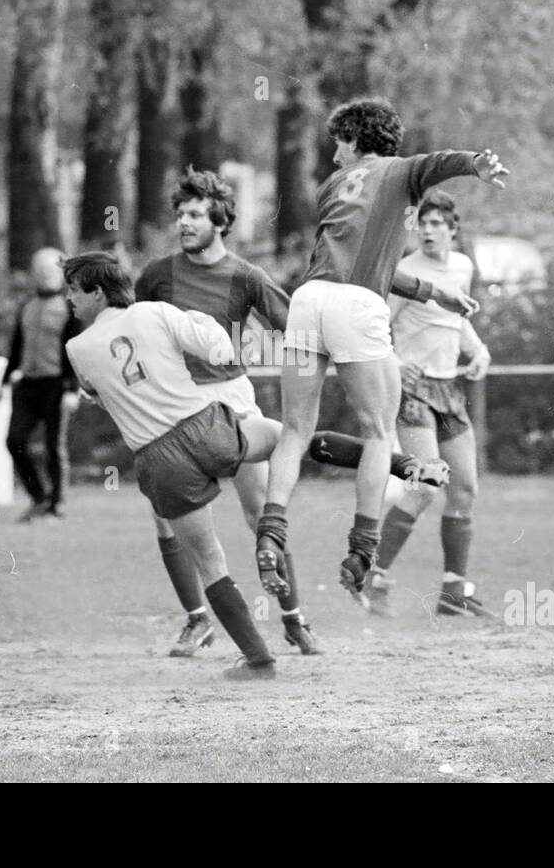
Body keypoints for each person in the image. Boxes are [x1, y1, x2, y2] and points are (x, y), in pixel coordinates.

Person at [252, 97, 508, 604]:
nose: (333, 156)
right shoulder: (400, 170)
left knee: (296, 429)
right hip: (356, 306)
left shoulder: (332, 188)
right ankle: (364, 548)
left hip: (308, 302)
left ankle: (272, 527)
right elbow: (442, 163)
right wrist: (476, 165)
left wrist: (434, 292)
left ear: (356, 138)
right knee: (377, 431)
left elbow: (372, 260)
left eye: (338, 143)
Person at [62, 251, 281, 679]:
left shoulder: (76, 348)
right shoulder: (155, 312)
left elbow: (97, 390)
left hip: (160, 459)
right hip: (204, 426)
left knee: (210, 560)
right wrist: (203, 322)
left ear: (97, 292)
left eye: (74, 289)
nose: (68, 298)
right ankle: (385, 458)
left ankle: (259, 661)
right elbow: (216, 352)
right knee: (288, 437)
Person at [135, 168, 320, 657]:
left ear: (220, 219)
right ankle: (198, 621)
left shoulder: (245, 276)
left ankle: (294, 619)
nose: (184, 222)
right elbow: (130, 332)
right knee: (166, 518)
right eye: (179, 214)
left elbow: (294, 329)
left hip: (231, 402)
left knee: (261, 510)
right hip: (173, 408)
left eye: (195, 214)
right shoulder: (157, 275)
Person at [366, 189, 493, 618]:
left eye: (437, 223)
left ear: (454, 231)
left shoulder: (462, 266)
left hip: (448, 390)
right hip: (413, 391)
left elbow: (456, 320)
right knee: (426, 484)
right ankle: (374, 575)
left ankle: (453, 593)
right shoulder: (404, 271)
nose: (427, 229)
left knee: (466, 487)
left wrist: (478, 350)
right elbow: (378, 324)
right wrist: (396, 364)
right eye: (422, 222)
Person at [4, 247, 81, 522]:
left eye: (51, 270)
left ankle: (56, 506)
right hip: (27, 385)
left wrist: (72, 389)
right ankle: (39, 496)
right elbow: (17, 346)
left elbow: (75, 351)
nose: (46, 275)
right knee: (14, 441)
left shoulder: (69, 308)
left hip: (56, 385)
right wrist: (6, 379)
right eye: (41, 270)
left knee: (53, 447)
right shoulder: (27, 307)